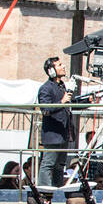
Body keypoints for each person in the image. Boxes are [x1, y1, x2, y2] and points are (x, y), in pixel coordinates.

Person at [37, 57, 76, 187]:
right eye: (59, 65)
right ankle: (45, 191)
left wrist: (88, 102)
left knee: (60, 166)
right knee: (48, 164)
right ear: (51, 71)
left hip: (63, 134)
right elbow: (45, 109)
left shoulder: (61, 87)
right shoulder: (46, 88)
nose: (63, 66)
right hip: (53, 135)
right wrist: (62, 102)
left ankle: (57, 189)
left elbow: (69, 104)